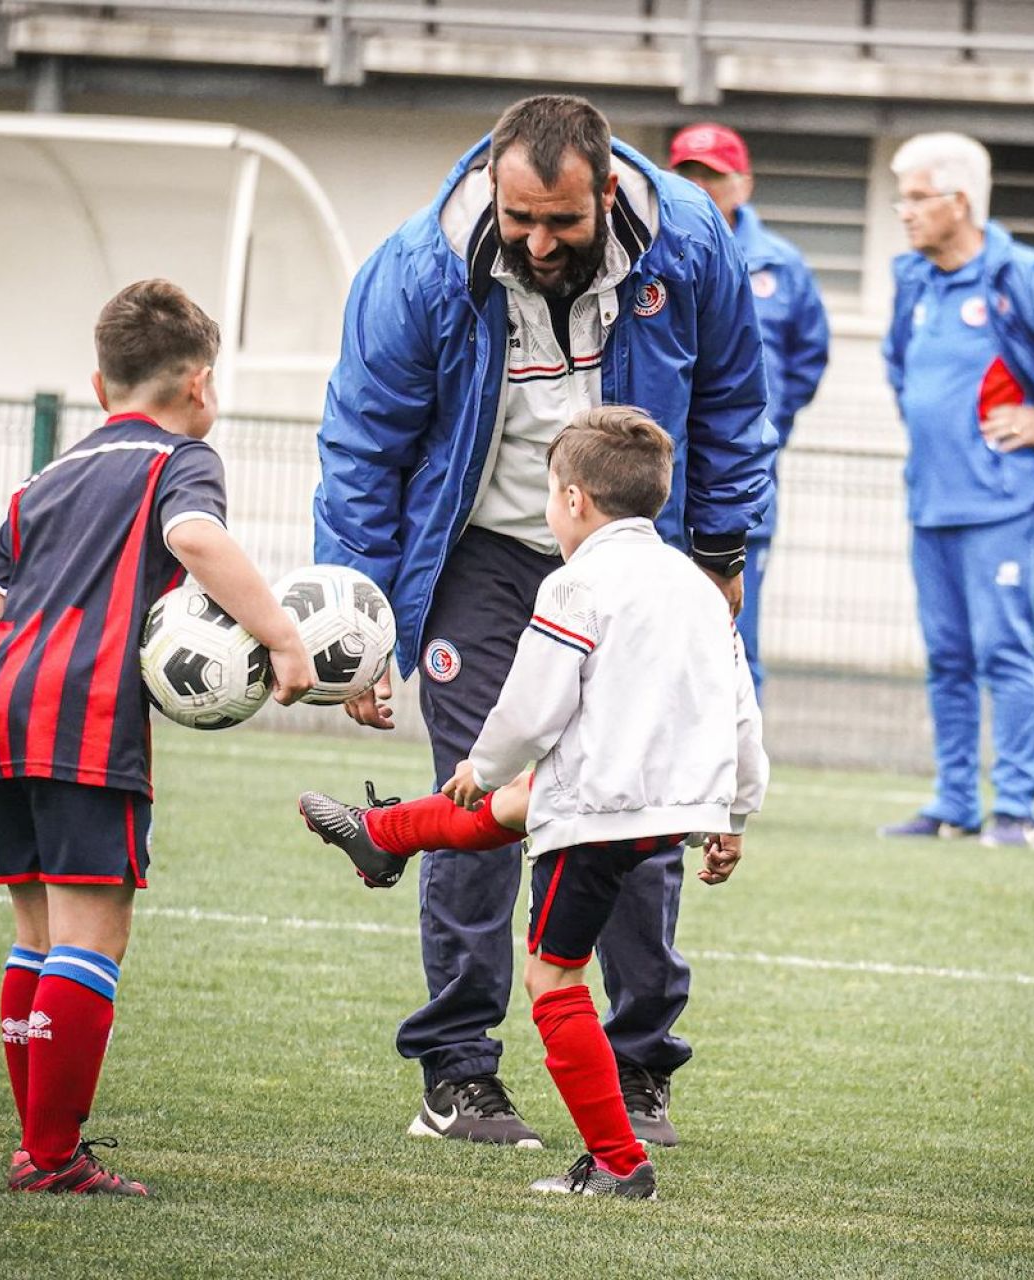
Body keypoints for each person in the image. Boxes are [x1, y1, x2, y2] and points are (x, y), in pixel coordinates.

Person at [313, 93, 772, 1149]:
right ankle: (460, 1072)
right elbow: (364, 447)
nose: (536, 239)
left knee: (638, 808)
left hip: (630, 564)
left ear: (606, 194)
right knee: (478, 798)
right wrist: (360, 613)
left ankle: (639, 1064)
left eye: (561, 222)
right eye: (520, 217)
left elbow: (737, 403)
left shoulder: (690, 244)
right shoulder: (419, 271)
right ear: (495, 191)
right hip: (482, 561)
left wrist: (719, 556)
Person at [302, 407, 767, 1199]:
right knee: (524, 801)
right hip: (673, 809)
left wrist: (481, 765)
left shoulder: (574, 582)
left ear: (575, 501)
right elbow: (740, 708)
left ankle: (619, 1166)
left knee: (553, 981)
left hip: (601, 815)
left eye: (551, 495)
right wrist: (736, 814)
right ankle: (381, 835)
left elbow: (531, 705)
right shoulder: (699, 589)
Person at [0, 280, 312, 1196]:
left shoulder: (41, 481)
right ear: (199, 385)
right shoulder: (179, 462)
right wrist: (280, 635)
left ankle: (36, 1142)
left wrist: (29, 668)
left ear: (97, 385)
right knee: (93, 931)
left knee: (35, 929)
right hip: (80, 712)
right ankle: (51, 1159)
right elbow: (194, 539)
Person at [875, 132, 1034, 848]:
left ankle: (1015, 809)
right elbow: (900, 364)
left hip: (1000, 503)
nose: (905, 211)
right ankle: (955, 804)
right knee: (946, 658)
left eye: (918, 197)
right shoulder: (915, 279)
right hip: (930, 500)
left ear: (960, 203)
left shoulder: (1016, 274)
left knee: (1004, 654)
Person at [668, 122, 831, 697]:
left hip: (743, 481)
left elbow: (808, 360)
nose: (701, 187)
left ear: (744, 184)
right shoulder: (658, 253)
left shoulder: (782, 267)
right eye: (688, 175)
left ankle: (736, 781)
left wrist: (765, 427)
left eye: (713, 176)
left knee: (737, 642)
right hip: (662, 480)